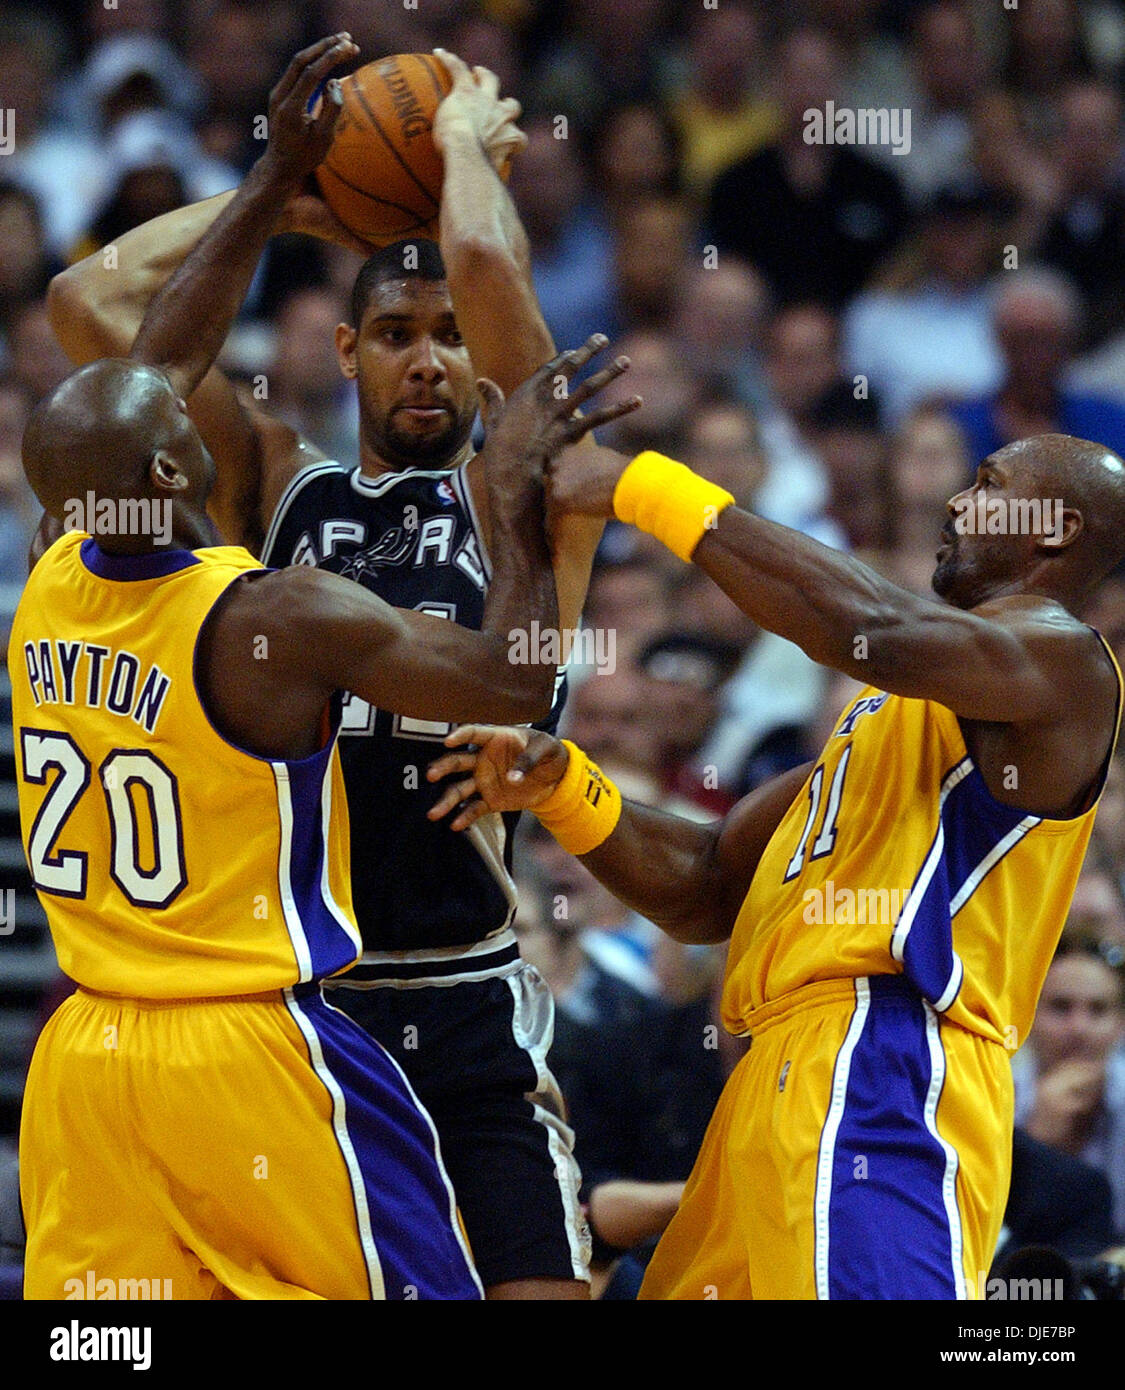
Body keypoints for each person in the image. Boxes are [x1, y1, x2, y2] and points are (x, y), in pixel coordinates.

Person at [13, 35, 634, 1302]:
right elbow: (96, 308)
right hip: (310, 996)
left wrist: (458, 155)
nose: (429, 357)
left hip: (466, 989)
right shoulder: (281, 487)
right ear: (343, 353)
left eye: (451, 338)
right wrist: (294, 196)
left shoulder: (536, 483)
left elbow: (483, 264)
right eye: (395, 332)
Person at [423, 428, 1125, 1298]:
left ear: (1050, 530)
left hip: (885, 1058)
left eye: (986, 485)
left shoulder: (1061, 659)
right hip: (773, 1075)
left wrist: (646, 488)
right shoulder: (887, 719)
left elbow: (872, 625)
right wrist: (565, 788)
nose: (954, 501)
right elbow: (708, 882)